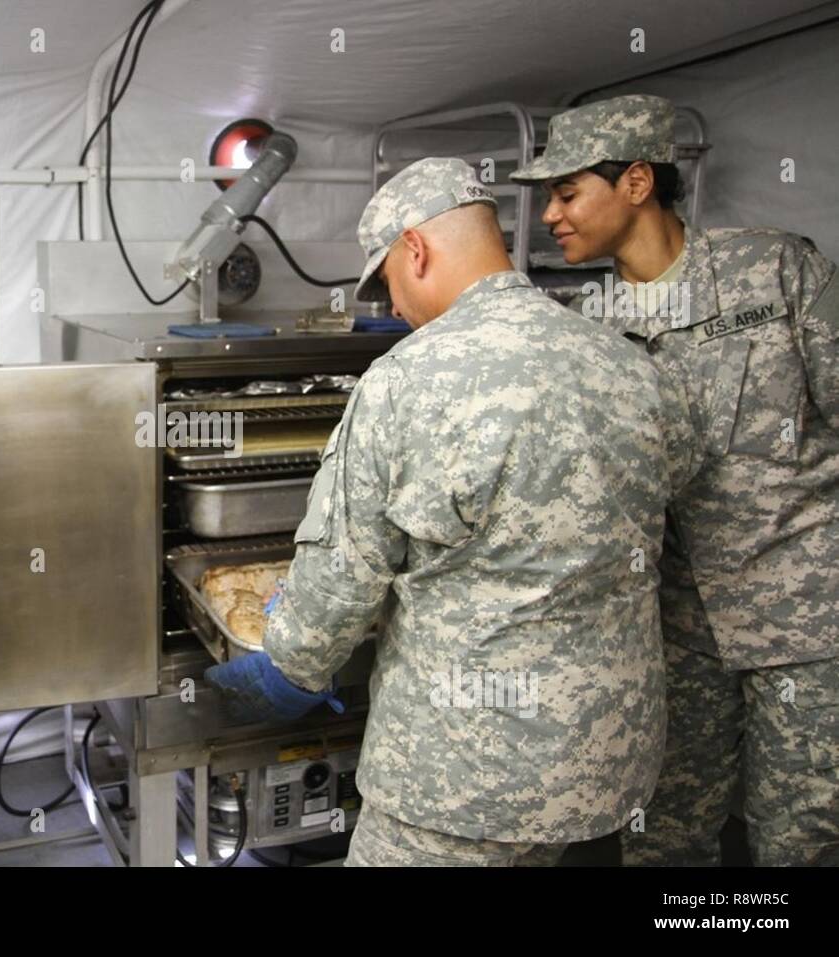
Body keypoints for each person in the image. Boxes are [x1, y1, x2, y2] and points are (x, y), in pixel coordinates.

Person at [207, 157, 698, 865]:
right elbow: (666, 502)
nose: (395, 305)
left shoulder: (407, 380)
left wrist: (285, 668)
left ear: (416, 248)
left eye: (388, 281)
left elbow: (338, 585)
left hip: (459, 781)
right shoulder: (629, 362)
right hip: (603, 764)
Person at [511, 93, 839, 866]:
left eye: (565, 193)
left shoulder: (775, 271)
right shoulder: (590, 330)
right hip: (674, 633)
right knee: (663, 833)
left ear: (634, 183)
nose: (551, 216)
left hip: (807, 625)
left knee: (803, 836)